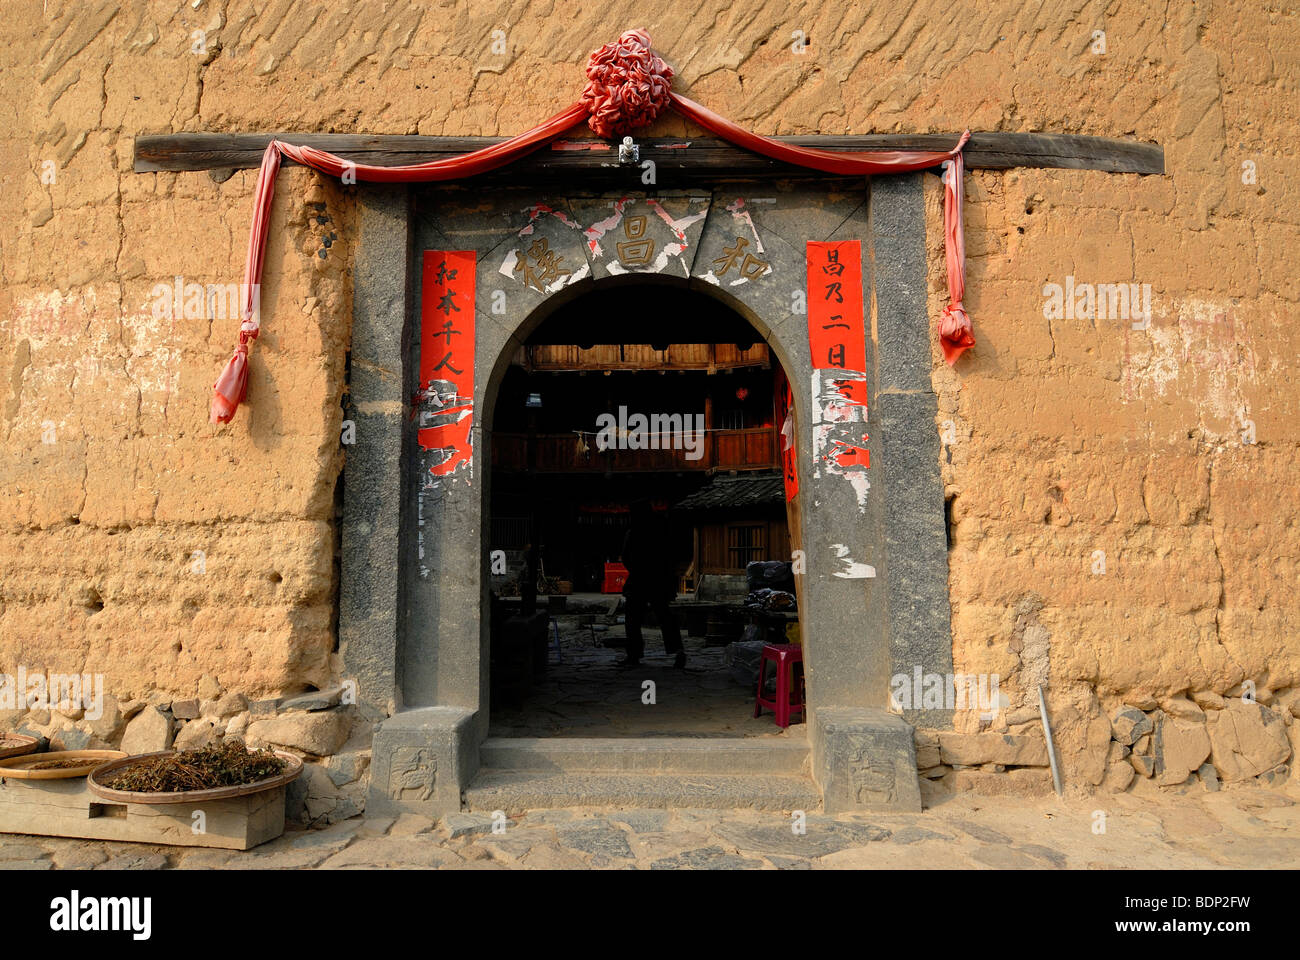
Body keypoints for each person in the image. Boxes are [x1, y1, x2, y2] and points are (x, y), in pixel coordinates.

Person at [619, 499, 685, 669]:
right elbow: (673, 553)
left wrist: (637, 569)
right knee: (665, 617)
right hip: (659, 580)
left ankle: (634, 654)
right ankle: (678, 651)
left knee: (633, 619)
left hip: (640, 580)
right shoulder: (663, 528)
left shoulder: (634, 532)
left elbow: (626, 557)